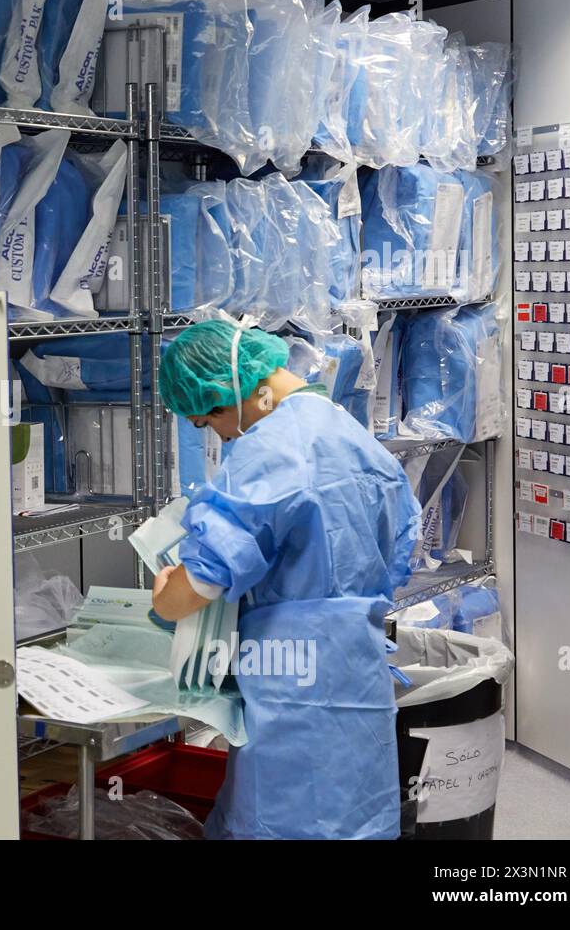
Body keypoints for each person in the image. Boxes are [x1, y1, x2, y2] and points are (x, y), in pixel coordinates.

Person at [152, 319, 420, 839]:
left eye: (208, 421)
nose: (220, 435)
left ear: (225, 390)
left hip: (294, 681)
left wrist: (166, 597)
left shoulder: (271, 449)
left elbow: (203, 581)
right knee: (356, 811)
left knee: (285, 817)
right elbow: (394, 551)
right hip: (358, 667)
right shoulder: (350, 432)